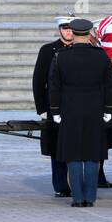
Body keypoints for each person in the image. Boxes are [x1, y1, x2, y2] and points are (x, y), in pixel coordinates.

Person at [47, 18, 112, 207]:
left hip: (70, 109)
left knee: (73, 153)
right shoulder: (101, 56)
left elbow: (54, 87)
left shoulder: (61, 56)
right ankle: (90, 197)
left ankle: (78, 198)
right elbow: (110, 85)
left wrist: (55, 111)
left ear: (74, 33)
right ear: (89, 33)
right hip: (95, 109)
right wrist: (108, 109)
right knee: (92, 153)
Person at [32, 16, 75, 197]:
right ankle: (60, 185)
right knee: (56, 146)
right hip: (54, 105)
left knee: (75, 146)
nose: (68, 32)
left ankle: (74, 183)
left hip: (75, 105)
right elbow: (38, 81)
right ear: (59, 30)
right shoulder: (48, 50)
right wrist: (42, 108)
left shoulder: (81, 50)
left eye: (71, 28)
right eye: (65, 28)